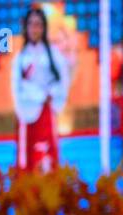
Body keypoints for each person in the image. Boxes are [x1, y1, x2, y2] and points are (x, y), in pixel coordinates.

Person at [12, 5, 71, 172]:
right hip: (26, 115)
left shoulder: (53, 54)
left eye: (38, 24)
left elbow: (62, 80)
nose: (34, 29)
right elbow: (17, 87)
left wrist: (51, 95)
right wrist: (37, 95)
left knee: (47, 157)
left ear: (43, 27)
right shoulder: (20, 57)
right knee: (27, 159)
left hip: (46, 114)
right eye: (30, 24)